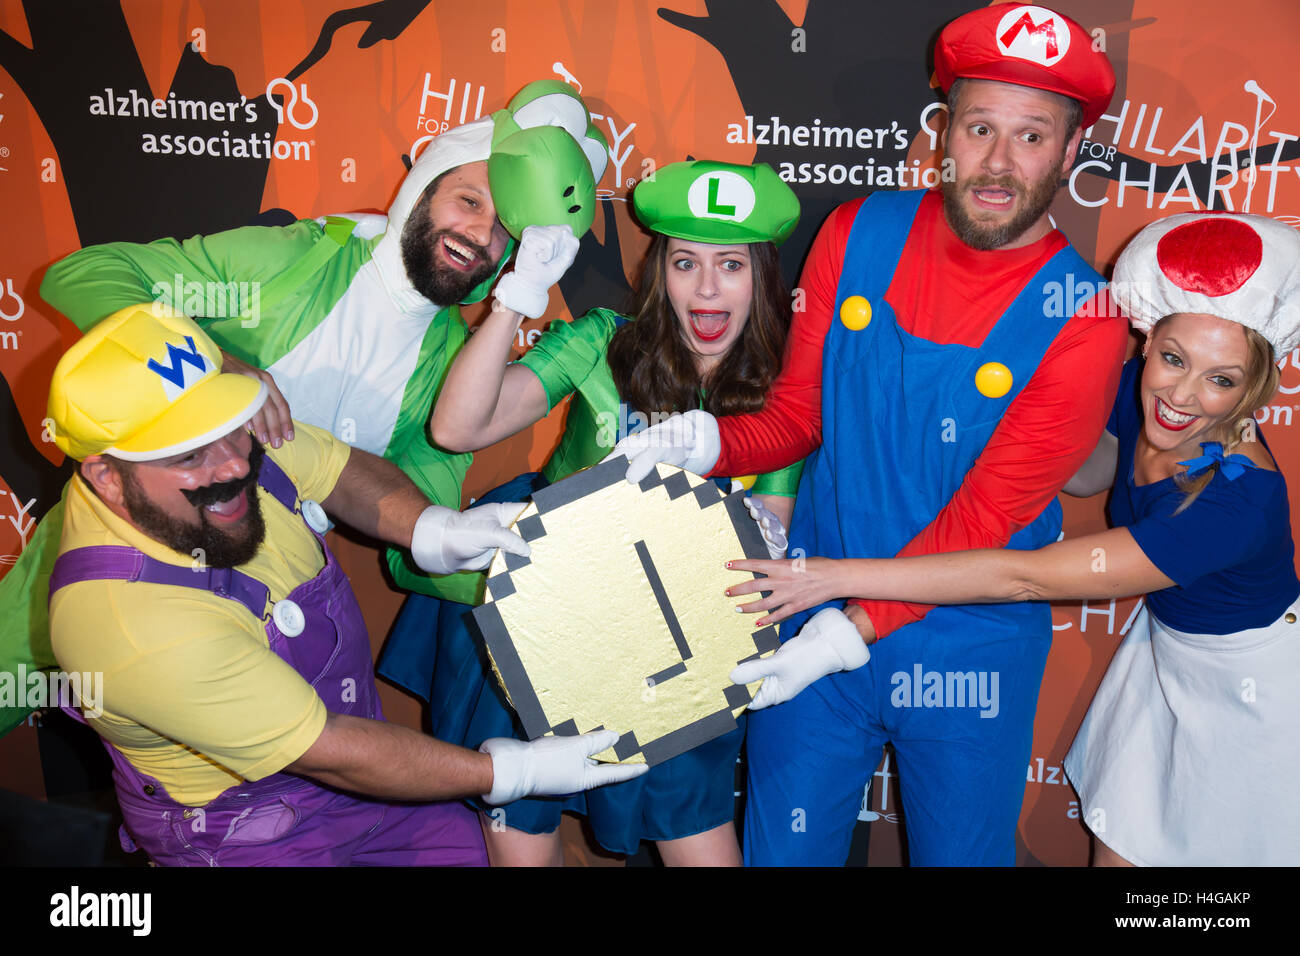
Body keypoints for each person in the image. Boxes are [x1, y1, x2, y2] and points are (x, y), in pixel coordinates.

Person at [614, 5, 1125, 865]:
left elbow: (985, 523)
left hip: (968, 645)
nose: (999, 163)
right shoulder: (858, 231)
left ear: (1069, 154)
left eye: (1032, 136)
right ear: (944, 133)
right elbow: (797, 418)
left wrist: (855, 624)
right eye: (979, 127)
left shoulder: (1086, 317)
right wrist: (711, 444)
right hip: (809, 608)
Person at [727, 211, 1300, 867]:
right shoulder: (1139, 393)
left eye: (1221, 379)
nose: (1183, 396)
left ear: (1253, 388)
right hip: (1163, 655)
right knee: (1129, 849)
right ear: (1147, 343)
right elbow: (1085, 473)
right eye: (1174, 359)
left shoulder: (1236, 504)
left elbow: (1023, 578)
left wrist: (837, 578)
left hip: (1253, 685)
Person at [45, 305, 644, 866]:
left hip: (367, 771)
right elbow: (327, 748)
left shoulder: (234, 447)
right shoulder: (130, 625)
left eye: (230, 428)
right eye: (189, 455)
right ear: (107, 478)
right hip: (241, 829)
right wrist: (514, 774)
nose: (231, 464)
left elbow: (336, 468)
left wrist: (432, 527)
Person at [37, 79, 605, 605]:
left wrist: (545, 564)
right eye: (469, 201)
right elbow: (84, 276)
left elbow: (417, 543)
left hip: (255, 607)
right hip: (111, 550)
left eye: (507, 230)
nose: (482, 235)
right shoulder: (296, 259)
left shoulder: (452, 369)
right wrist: (207, 366)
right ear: (421, 191)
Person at [414, 160, 802, 865]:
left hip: (676, 646)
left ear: (762, 280)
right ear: (661, 272)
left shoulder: (783, 393)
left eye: (731, 266)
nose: (707, 287)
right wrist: (517, 295)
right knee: (521, 846)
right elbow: (457, 429)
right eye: (686, 263)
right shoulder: (602, 340)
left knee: (699, 840)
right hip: (539, 616)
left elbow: (761, 560)